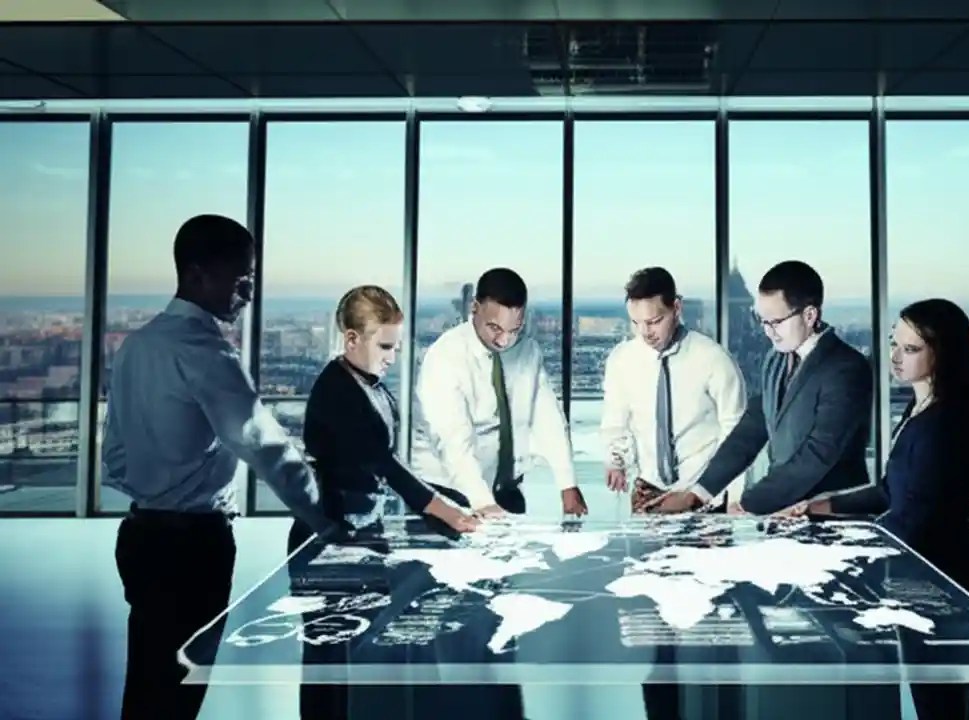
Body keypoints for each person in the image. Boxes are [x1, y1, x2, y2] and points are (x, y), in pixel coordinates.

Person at [101, 214, 339, 720]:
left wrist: (157, 484)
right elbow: (266, 447)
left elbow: (115, 452)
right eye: (242, 280)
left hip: (139, 536)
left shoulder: (135, 347)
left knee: (146, 684)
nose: (248, 294)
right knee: (179, 692)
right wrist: (326, 520)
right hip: (193, 548)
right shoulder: (207, 354)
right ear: (198, 274)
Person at [289, 285, 478, 720]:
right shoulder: (337, 390)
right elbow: (383, 464)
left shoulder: (368, 385)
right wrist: (445, 508)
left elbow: (388, 463)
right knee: (327, 668)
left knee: (352, 667)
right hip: (329, 545)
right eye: (385, 345)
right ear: (352, 338)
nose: (393, 356)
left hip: (358, 539)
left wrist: (452, 498)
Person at [802, 298, 969, 720]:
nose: (894, 357)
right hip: (921, 578)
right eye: (894, 344)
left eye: (910, 349)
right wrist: (824, 505)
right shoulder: (919, 407)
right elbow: (892, 490)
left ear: (942, 353)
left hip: (945, 581)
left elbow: (912, 521)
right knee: (937, 702)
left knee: (944, 706)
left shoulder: (944, 424)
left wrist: (843, 557)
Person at [646, 260, 874, 516]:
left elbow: (818, 455)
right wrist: (697, 494)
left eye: (776, 322)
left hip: (832, 518)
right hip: (783, 516)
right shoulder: (775, 359)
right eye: (762, 321)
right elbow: (751, 429)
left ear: (810, 315)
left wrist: (749, 504)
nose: (768, 332)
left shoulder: (846, 368)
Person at [413, 267, 588, 517]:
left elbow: (548, 418)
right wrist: (482, 502)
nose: (504, 341)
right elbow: (454, 443)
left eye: (514, 330)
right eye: (495, 328)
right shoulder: (446, 357)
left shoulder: (527, 351)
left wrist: (567, 483)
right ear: (474, 308)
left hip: (504, 490)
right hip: (446, 492)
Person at [601, 267, 747, 513]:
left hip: (703, 492)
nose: (645, 333)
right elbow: (616, 419)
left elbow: (736, 431)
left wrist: (732, 497)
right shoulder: (621, 360)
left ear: (676, 308)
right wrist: (615, 461)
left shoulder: (713, 358)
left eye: (655, 321)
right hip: (648, 492)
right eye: (637, 323)